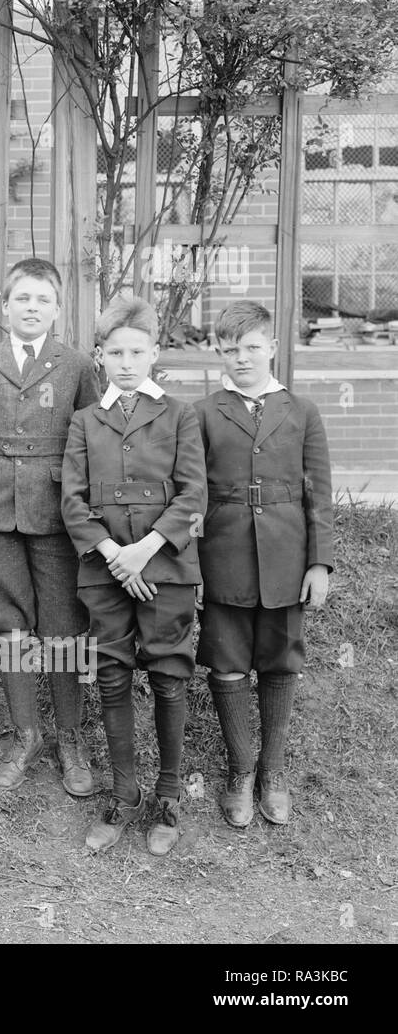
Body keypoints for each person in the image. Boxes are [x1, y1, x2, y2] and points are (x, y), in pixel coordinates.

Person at [62, 296, 206, 853]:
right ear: (99, 356)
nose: (126, 362)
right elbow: (73, 501)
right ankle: (124, 794)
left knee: (169, 673)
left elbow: (195, 496)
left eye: (137, 351)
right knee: (113, 674)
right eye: (115, 351)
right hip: (104, 571)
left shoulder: (179, 415)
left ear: (154, 353)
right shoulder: (84, 421)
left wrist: (144, 550)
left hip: (165, 567)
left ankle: (168, 795)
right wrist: (112, 555)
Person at [0, 257, 101, 795]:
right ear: (6, 307)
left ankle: (69, 735)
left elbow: (89, 434)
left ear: (58, 309)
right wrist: (0, 474)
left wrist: (72, 492)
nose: (32, 308)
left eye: (43, 300)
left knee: (65, 624)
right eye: (22, 298)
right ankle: (26, 733)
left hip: (57, 510)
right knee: (9, 622)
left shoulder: (77, 365)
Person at [194, 300, 333, 827]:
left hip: (285, 557)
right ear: (220, 355)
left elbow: (318, 494)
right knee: (227, 660)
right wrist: (192, 565)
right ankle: (240, 771)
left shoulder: (301, 412)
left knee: (280, 659)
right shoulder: (204, 413)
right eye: (230, 350)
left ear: (272, 347)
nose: (242, 359)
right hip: (223, 555)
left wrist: (318, 564)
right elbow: (191, 493)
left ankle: (273, 771)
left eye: (252, 347)